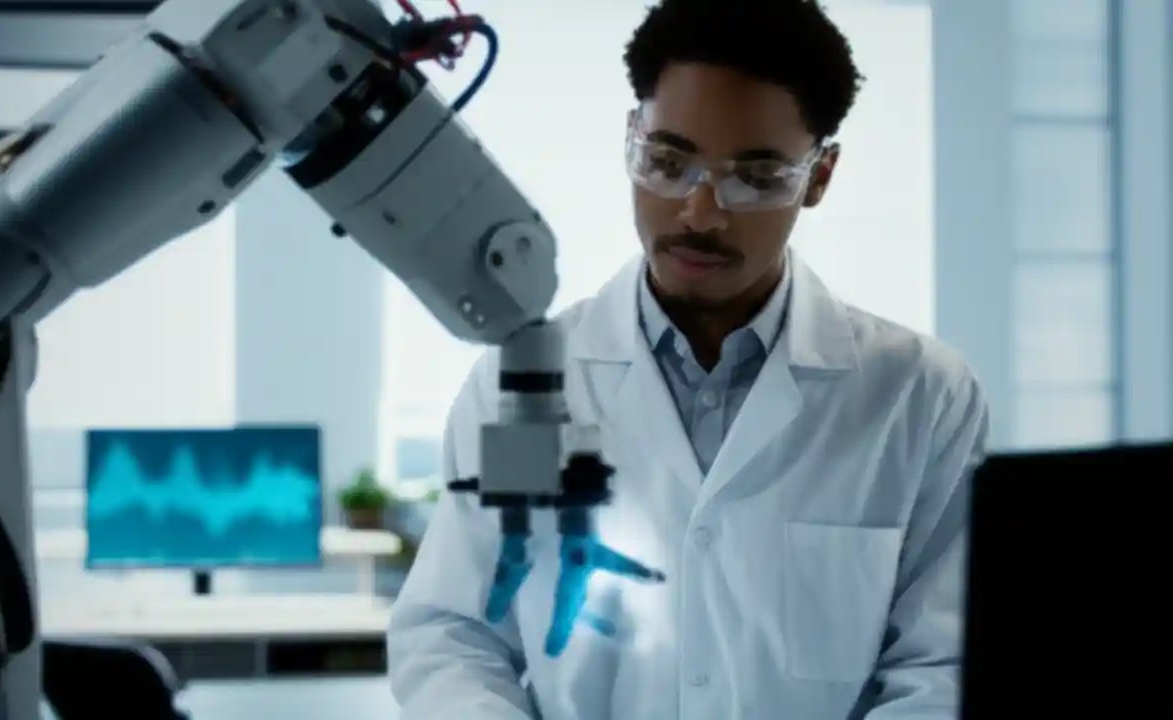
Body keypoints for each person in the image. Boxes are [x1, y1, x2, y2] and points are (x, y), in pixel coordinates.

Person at [388, 0, 989, 718]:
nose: (700, 213)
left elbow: (941, 667)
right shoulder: (531, 392)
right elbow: (459, 633)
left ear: (819, 175)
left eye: (756, 177)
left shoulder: (915, 398)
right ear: (630, 140)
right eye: (668, 163)